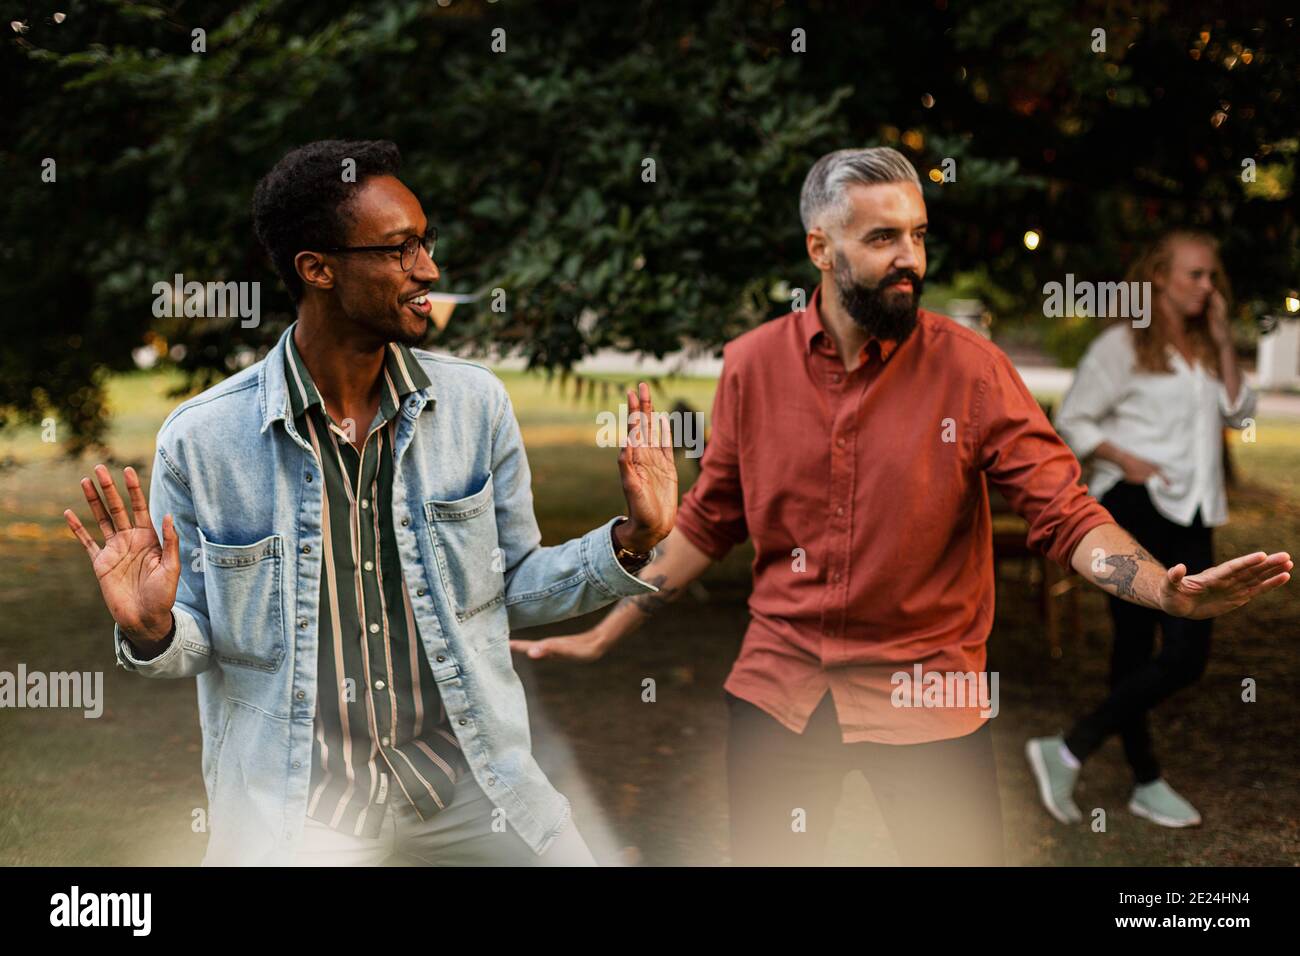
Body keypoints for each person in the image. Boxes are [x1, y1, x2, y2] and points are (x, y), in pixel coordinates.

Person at [511, 148, 1292, 866]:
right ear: (821, 248)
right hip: (780, 694)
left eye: (918, 235)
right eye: (884, 238)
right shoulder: (752, 366)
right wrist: (605, 629)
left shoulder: (971, 371)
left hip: (928, 704)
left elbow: (1065, 512)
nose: (909, 259)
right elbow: (711, 523)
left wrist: (1163, 589)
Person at [63, 139, 678, 866]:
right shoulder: (203, 441)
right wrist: (153, 629)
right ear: (318, 270)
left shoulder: (474, 406)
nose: (430, 271)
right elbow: (195, 644)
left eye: (427, 243)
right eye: (400, 249)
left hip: (472, 787)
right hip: (301, 812)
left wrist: (633, 539)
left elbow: (511, 587)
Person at [1026, 231, 1256, 829]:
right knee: (1139, 650)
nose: (1208, 286)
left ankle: (1073, 748)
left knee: (1185, 654)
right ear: (1159, 277)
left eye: (1212, 277)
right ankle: (1145, 777)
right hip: (1135, 506)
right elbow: (1072, 419)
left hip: (1195, 510)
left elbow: (1241, 413)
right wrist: (1124, 459)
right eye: (1195, 275)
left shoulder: (1206, 347)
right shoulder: (1120, 345)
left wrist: (1226, 339)